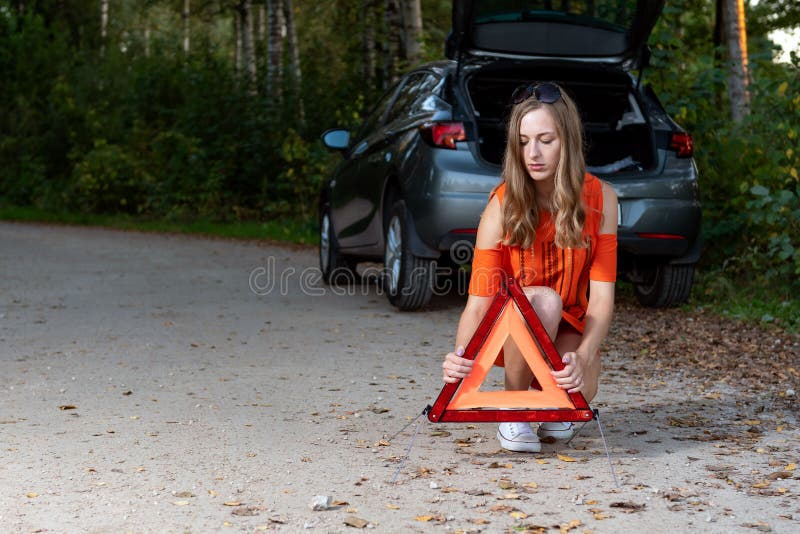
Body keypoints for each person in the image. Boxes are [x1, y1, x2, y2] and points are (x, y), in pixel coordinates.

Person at [441, 82, 618, 453]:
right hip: (510, 328)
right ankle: (515, 406)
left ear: (567, 141)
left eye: (545, 140)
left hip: (566, 323)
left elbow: (601, 300)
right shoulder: (502, 206)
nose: (532, 153)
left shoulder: (602, 199)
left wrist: (583, 356)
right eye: (523, 142)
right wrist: (461, 358)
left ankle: (549, 399)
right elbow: (478, 302)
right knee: (545, 302)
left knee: (581, 384)